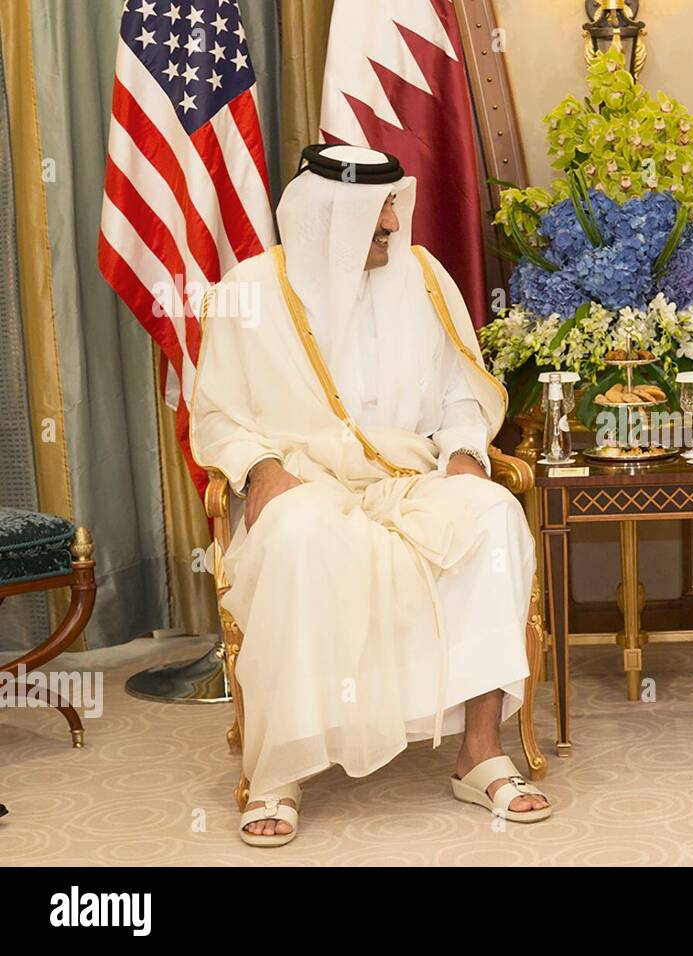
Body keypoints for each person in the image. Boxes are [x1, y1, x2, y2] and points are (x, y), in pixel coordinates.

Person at [191, 144, 551, 846]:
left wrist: (465, 456)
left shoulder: (421, 276)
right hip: (302, 478)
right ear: (329, 218)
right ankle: (279, 770)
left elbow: (459, 397)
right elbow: (215, 415)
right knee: (297, 537)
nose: (394, 221)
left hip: (408, 475)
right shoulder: (252, 289)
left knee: (493, 518)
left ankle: (480, 751)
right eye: (378, 211)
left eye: (394, 204)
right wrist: (259, 466)